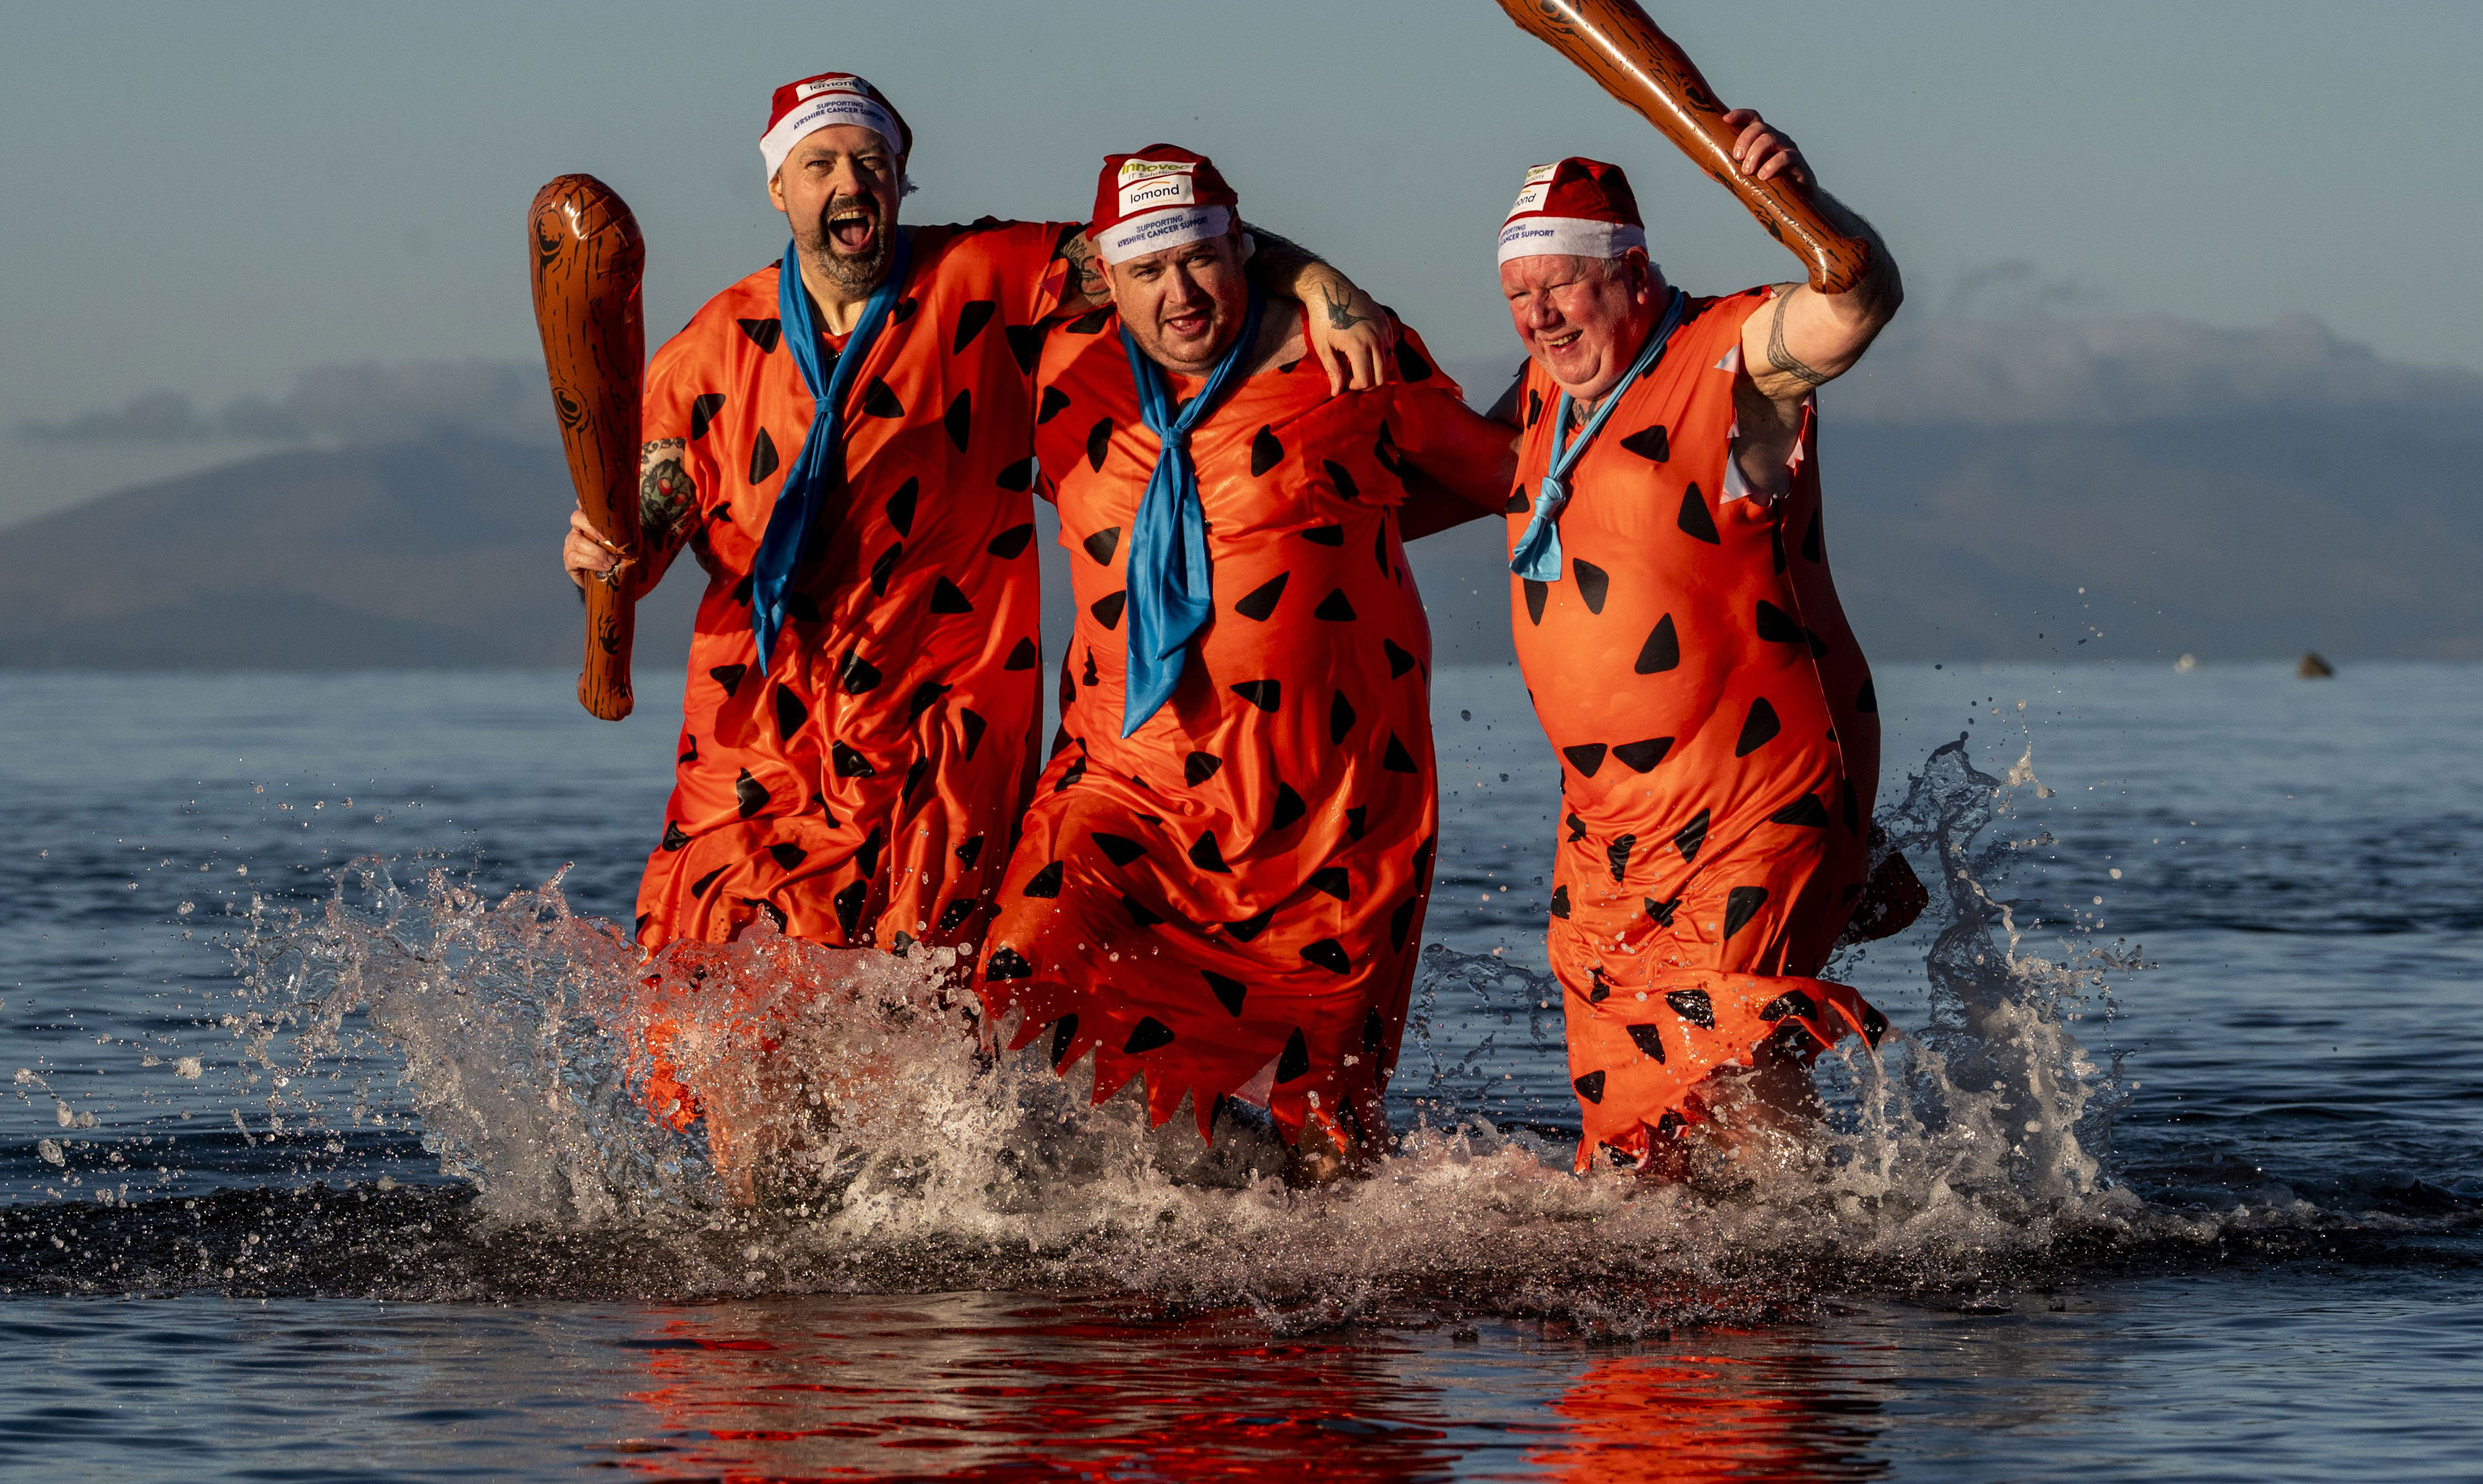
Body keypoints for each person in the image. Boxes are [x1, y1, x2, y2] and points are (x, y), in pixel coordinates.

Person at [560, 75, 1394, 962]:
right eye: (820, 165)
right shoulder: (709, 351)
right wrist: (604, 553)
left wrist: (1319, 281)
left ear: (899, 177)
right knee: (713, 997)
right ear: (779, 189)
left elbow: (1175, 237)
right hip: (763, 723)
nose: (849, 181)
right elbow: (647, 544)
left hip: (945, 726)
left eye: (869, 160)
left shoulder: (990, 278)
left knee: (915, 1018)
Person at [978, 146, 1517, 1182]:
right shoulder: (1057, 374)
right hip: (1123, 791)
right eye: (1148, 270)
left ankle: (1257, 1237)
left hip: (1329, 813)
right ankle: (1103, 1256)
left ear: (1243, 250)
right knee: (1017, 988)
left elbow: (1504, 474)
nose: (1180, 293)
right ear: (1108, 274)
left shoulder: (1348, 356)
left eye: (1203, 260)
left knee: (1331, 1152)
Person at [1491, 115, 1917, 1172]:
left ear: (1633, 273)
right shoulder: (1543, 389)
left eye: (1563, 289)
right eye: (1518, 295)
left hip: (1751, 788)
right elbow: (1411, 482)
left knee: (1731, 1041)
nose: (1539, 317)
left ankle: (1810, 1258)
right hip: (1612, 825)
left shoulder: (1731, 357)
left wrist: (1807, 204)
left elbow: (1859, 299)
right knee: (1640, 1136)